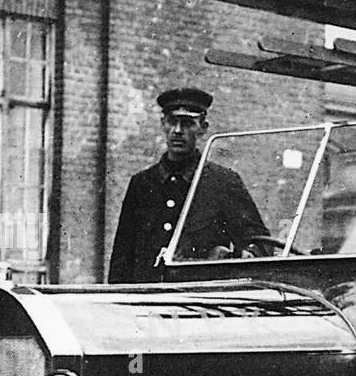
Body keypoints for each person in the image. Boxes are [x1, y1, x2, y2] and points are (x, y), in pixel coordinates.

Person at [107, 87, 267, 283]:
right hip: (146, 303)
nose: (178, 131)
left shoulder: (222, 182)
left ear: (203, 128)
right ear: (162, 124)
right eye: (172, 122)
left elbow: (260, 244)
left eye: (188, 124)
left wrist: (241, 258)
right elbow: (121, 259)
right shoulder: (142, 184)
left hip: (198, 304)